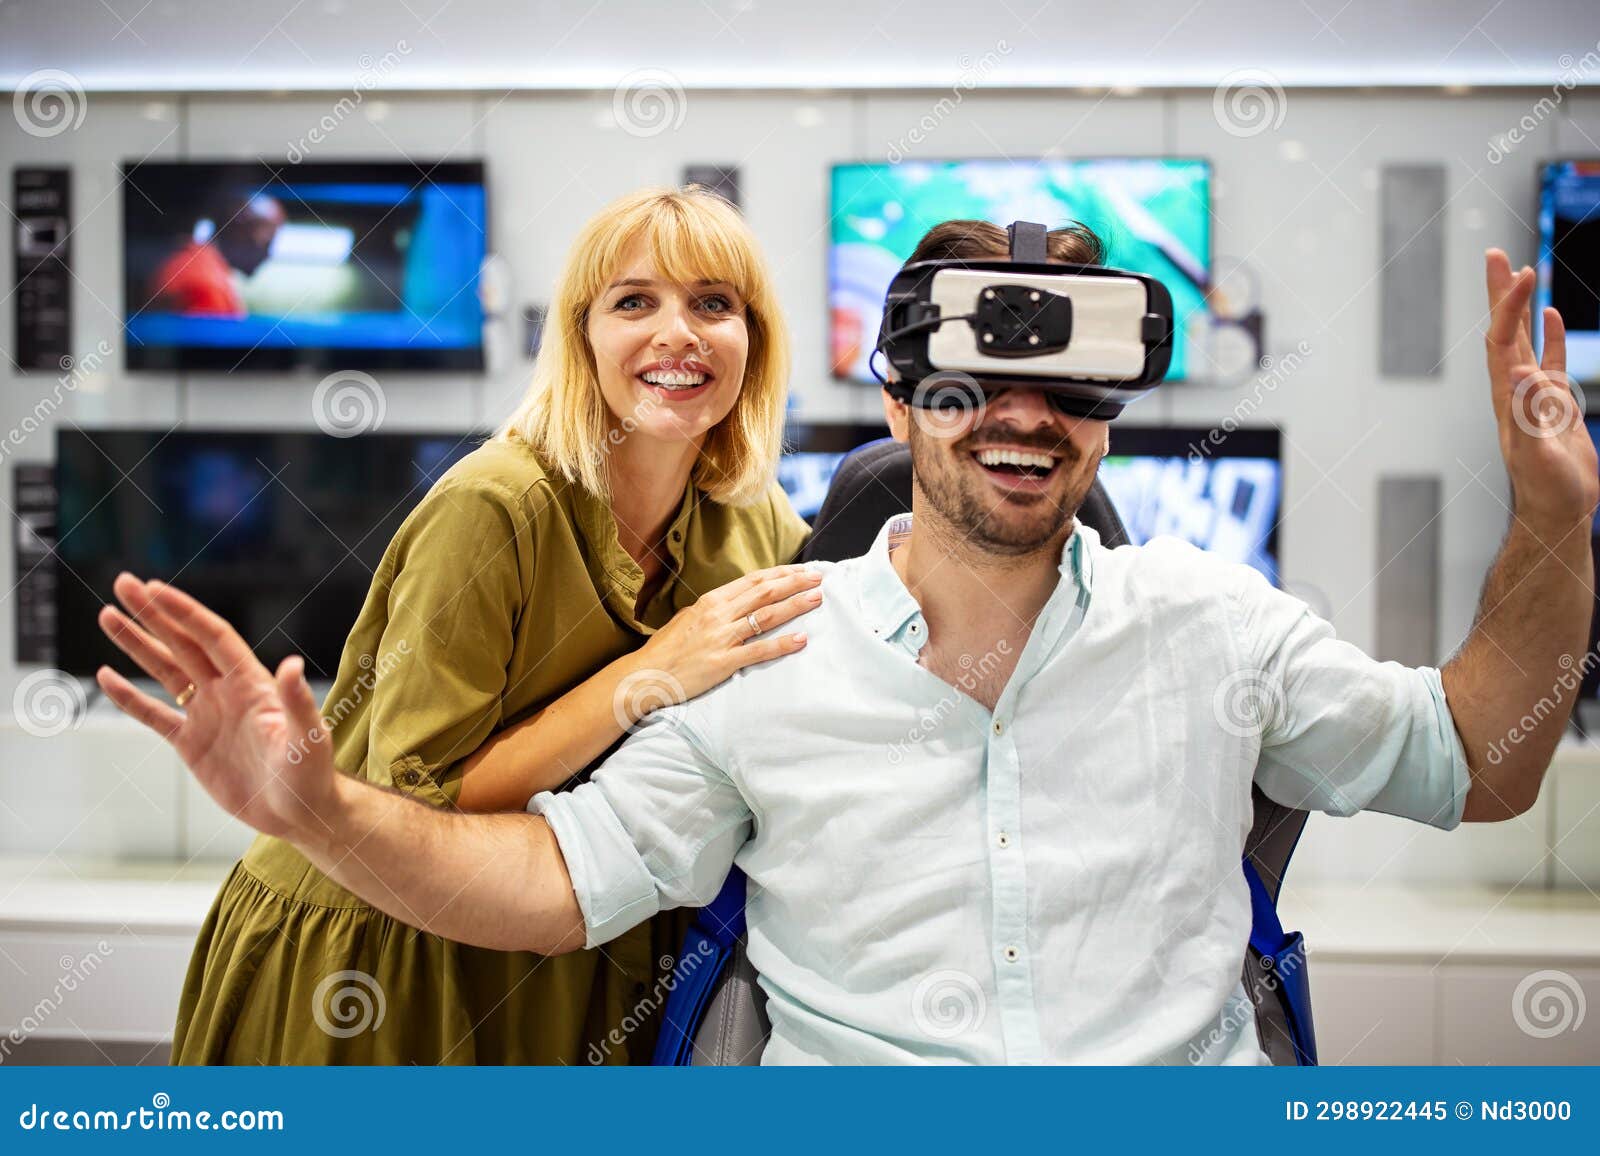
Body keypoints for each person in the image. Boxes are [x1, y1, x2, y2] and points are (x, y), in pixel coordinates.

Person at [97, 222, 1597, 1064]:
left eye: (1067, 388)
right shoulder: (769, 648)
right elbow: (556, 884)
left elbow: (1484, 765)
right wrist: (317, 807)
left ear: (1109, 419)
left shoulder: (1219, 624)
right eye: (964, 383)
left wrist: (1550, 526)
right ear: (895, 405)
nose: (1021, 417)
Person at [99, 185, 820, 1064]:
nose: (680, 332)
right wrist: (654, 670)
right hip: (388, 952)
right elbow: (419, 806)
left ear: (756, 338)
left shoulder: (755, 517)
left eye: (715, 303)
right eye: (636, 302)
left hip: (589, 948)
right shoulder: (495, 507)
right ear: (581, 336)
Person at [146, 192, 287, 317]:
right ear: (240, 230)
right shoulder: (207, 284)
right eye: (267, 242)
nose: (268, 255)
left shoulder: (190, 261)